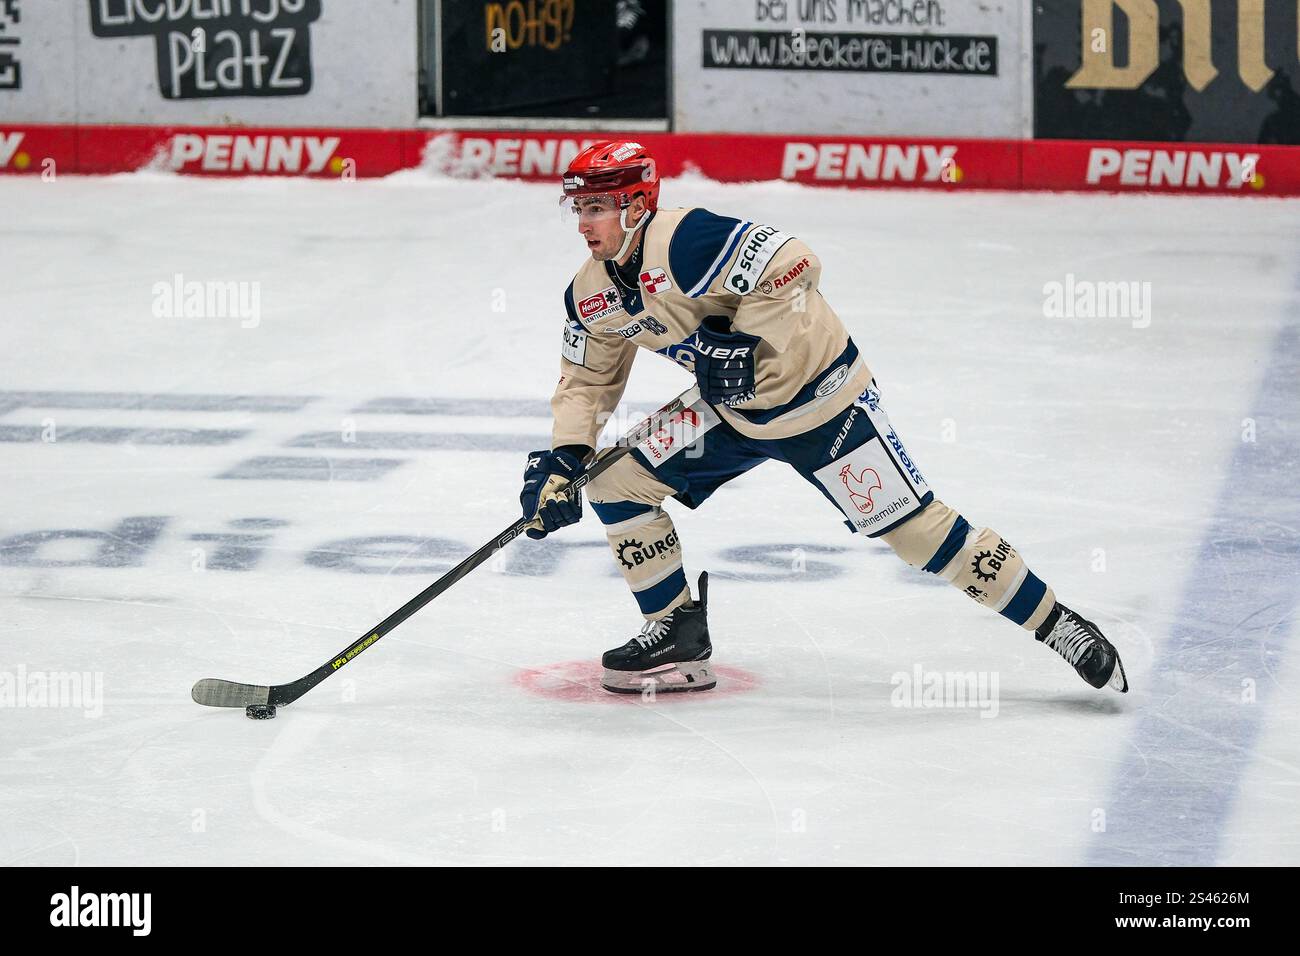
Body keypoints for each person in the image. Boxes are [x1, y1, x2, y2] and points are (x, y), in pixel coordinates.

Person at [518, 141, 1129, 696]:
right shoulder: (588, 292)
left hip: (822, 402)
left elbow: (795, 260)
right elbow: (586, 380)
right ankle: (677, 631)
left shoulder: (687, 240)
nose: (583, 223)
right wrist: (563, 459)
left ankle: (1058, 625)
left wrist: (740, 337)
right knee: (612, 480)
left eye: (595, 207)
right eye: (578, 208)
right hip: (729, 413)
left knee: (920, 535)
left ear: (634, 205)